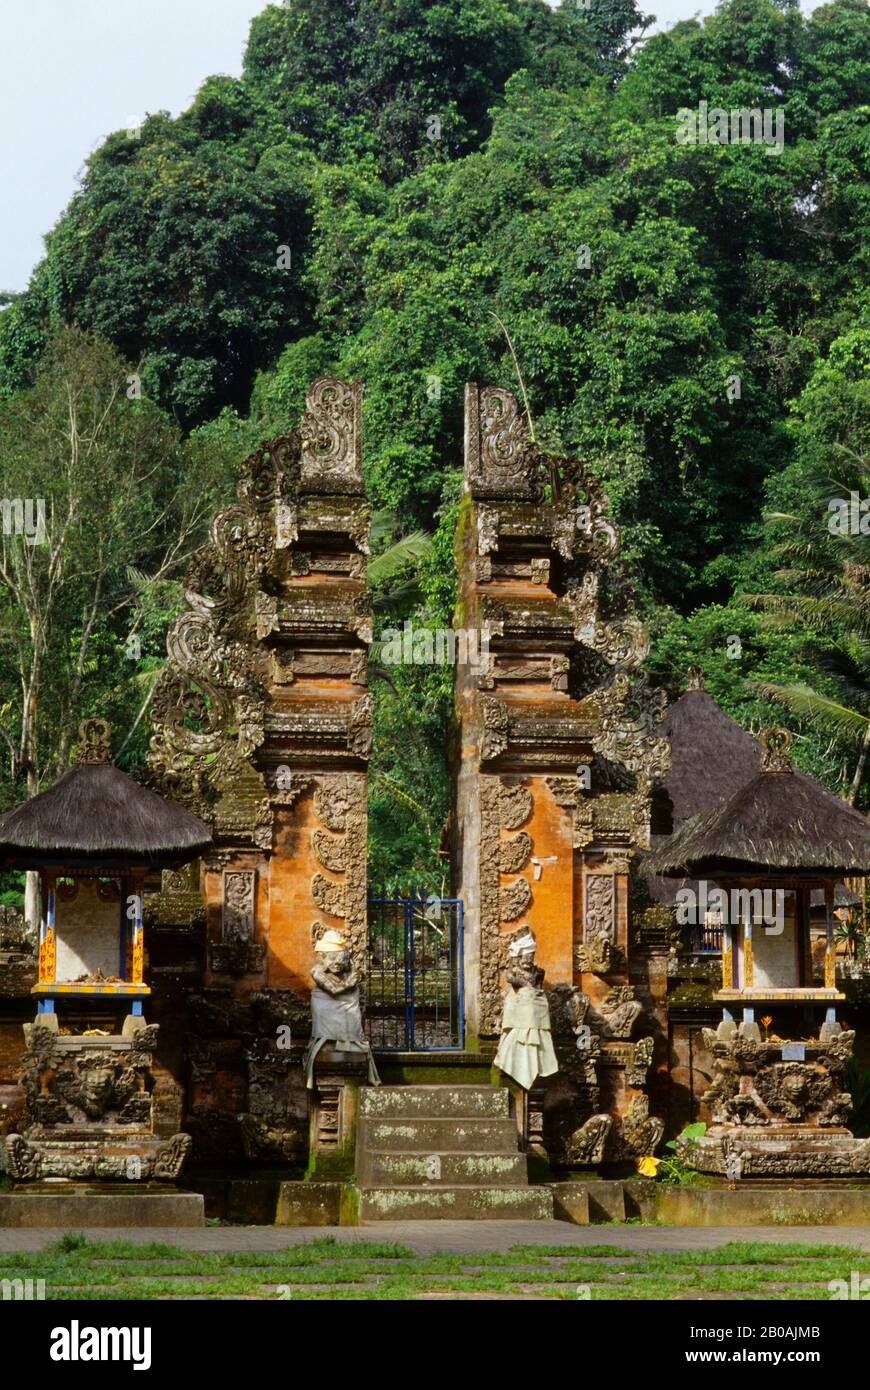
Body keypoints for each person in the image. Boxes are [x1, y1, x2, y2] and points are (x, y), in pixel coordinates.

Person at [304, 928, 380, 1088]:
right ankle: (329, 1043)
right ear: (323, 958)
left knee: (352, 1008)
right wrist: (350, 982)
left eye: (340, 958)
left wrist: (356, 976)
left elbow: (356, 981)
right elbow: (334, 990)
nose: (337, 963)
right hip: (325, 1004)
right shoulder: (317, 971)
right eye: (332, 958)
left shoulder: (346, 970)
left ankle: (349, 1041)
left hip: (346, 1008)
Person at [494, 930, 558, 1090]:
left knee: (538, 1007)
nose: (530, 958)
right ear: (521, 956)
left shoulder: (538, 972)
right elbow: (514, 981)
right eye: (527, 955)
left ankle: (539, 1059)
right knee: (528, 1010)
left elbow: (538, 988)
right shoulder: (514, 972)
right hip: (521, 1006)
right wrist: (525, 983)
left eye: (532, 955)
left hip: (536, 1006)